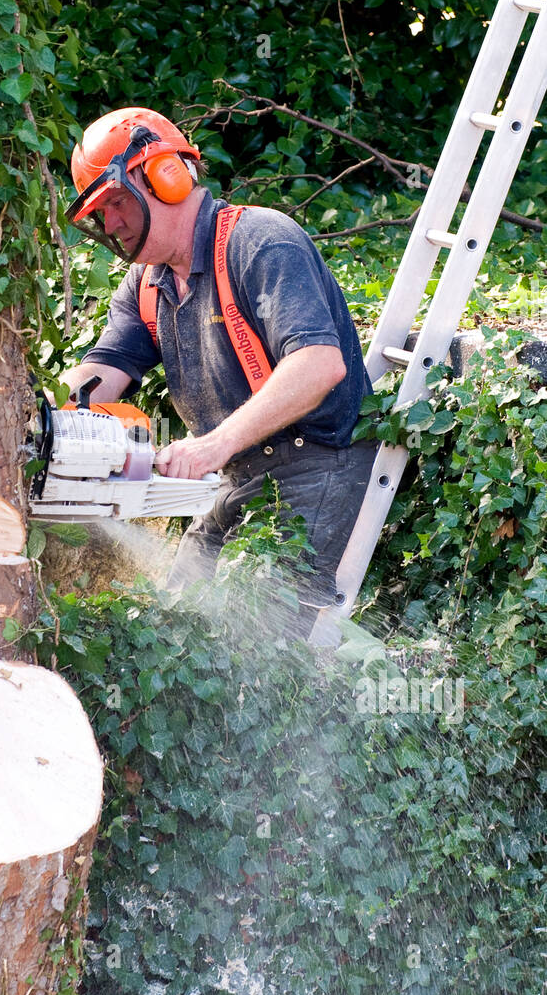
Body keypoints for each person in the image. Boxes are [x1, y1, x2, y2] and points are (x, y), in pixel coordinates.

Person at [58, 105, 377, 633]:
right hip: (239, 475)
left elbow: (319, 365)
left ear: (166, 175)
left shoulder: (259, 241)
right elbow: (103, 371)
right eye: (99, 213)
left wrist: (211, 445)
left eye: (116, 202)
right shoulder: (148, 283)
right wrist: (49, 417)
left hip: (316, 465)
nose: (110, 223)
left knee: (252, 639)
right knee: (175, 626)